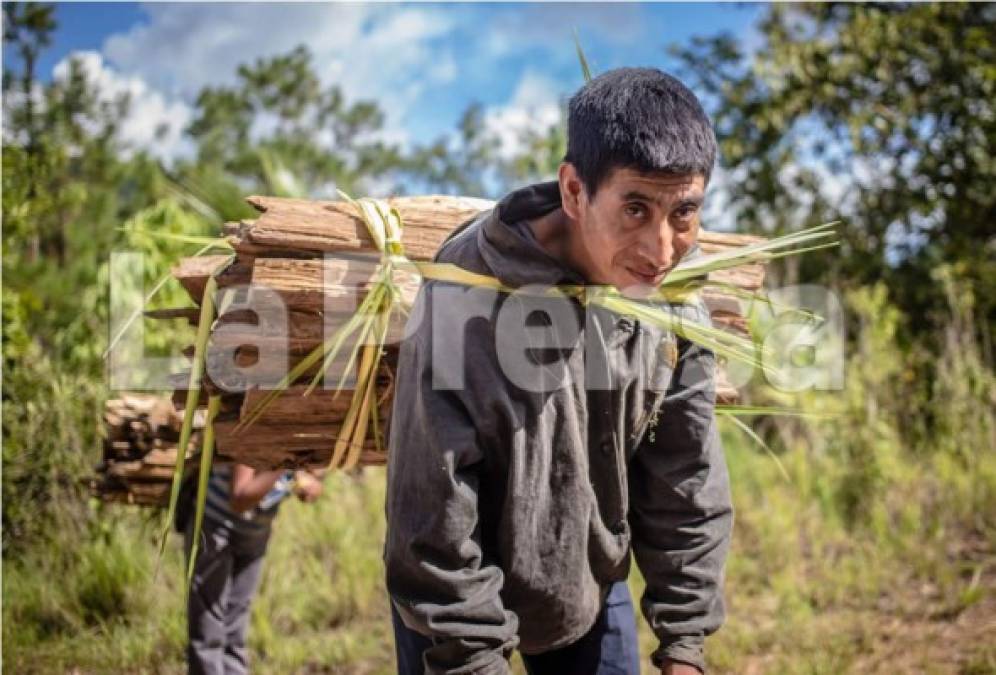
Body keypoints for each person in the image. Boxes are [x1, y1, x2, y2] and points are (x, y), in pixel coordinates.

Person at [384, 67, 733, 675]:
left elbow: (685, 474)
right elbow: (431, 523)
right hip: (451, 604)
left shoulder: (673, 300)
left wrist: (685, 644)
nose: (661, 248)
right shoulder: (466, 297)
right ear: (574, 191)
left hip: (588, 583)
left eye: (683, 212)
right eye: (634, 208)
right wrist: (474, 659)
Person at [183, 463, 323, 675]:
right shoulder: (253, 435)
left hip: (254, 536)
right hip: (217, 529)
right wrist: (285, 467)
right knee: (208, 628)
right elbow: (240, 497)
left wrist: (306, 483)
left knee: (236, 627)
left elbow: (315, 481)